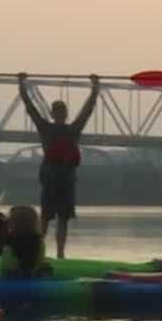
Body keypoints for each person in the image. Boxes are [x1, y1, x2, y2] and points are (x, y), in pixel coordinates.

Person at [18, 72, 100, 259]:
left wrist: (21, 85)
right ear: (63, 114)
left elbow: (30, 108)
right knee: (58, 219)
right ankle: (58, 254)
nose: (60, 115)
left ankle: (43, 253)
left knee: (48, 218)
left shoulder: (47, 128)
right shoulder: (72, 129)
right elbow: (88, 110)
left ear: (53, 114)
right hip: (65, 177)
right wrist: (95, 88)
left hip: (52, 176)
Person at [0, 205, 51, 278]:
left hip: (14, 277)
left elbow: (23, 257)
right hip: (32, 276)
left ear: (14, 223)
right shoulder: (37, 239)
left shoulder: (13, 239)